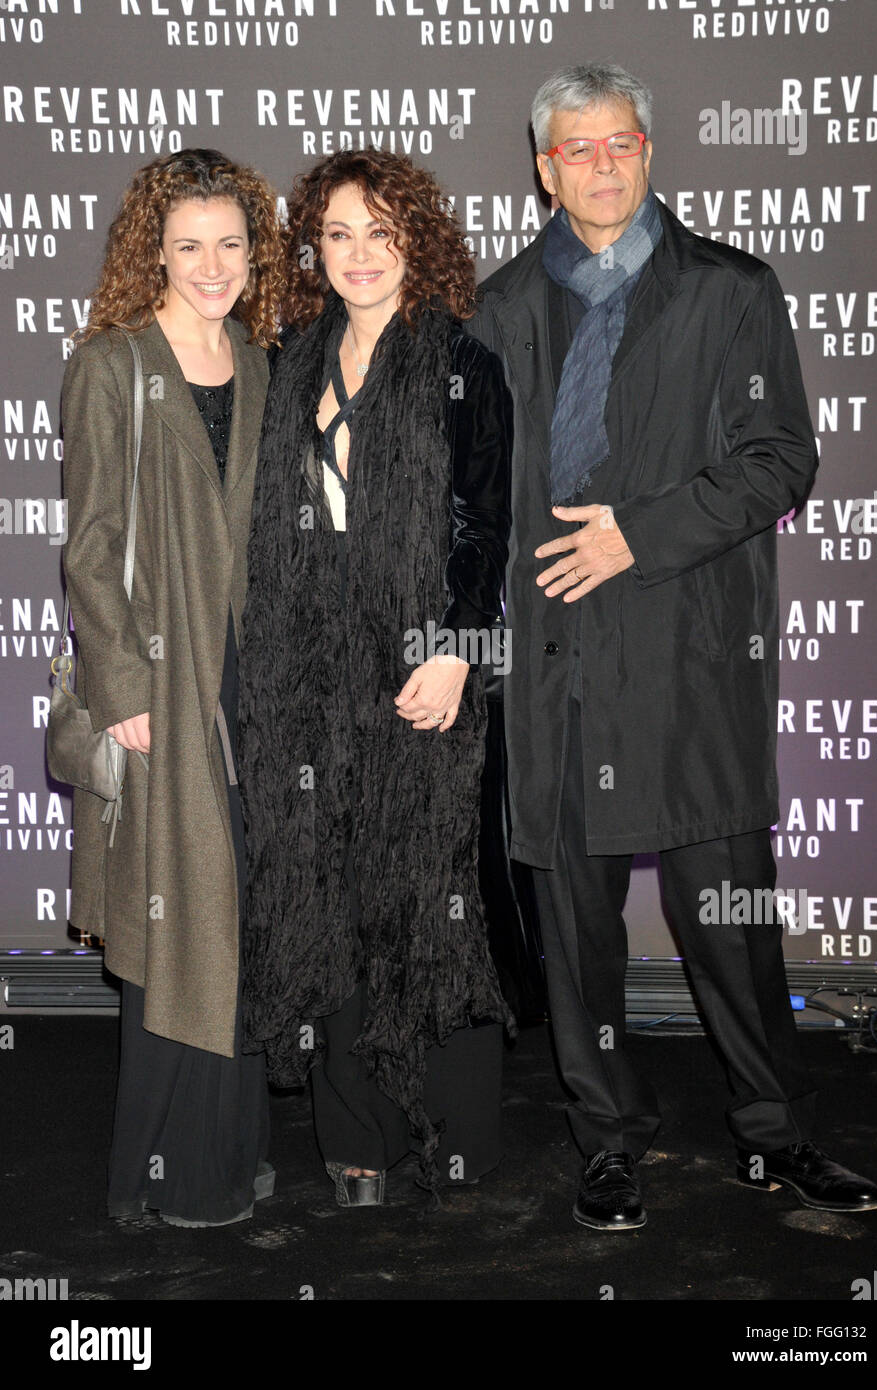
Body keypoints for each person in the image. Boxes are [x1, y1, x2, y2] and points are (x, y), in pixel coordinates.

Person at [470, 62, 877, 1230]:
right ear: (542, 167)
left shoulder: (729, 290)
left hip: (690, 671)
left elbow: (778, 459)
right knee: (575, 947)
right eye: (575, 149)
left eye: (620, 144)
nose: (601, 166)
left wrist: (633, 539)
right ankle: (606, 1139)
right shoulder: (497, 310)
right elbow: (476, 499)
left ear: (648, 151)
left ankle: (778, 1130)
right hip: (554, 678)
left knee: (732, 931)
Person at [238, 149, 514, 1207]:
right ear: (313, 244)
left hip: (422, 665)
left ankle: (451, 1131)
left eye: (380, 232)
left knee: (432, 895)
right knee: (326, 893)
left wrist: (452, 647)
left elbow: (483, 526)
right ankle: (355, 1139)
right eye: (338, 233)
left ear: (416, 240)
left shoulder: (462, 361)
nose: (358, 254)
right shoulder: (289, 357)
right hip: (308, 672)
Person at [61, 148, 283, 1226]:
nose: (212, 264)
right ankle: (164, 1176)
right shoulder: (113, 364)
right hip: (161, 679)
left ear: (255, 253)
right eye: (189, 244)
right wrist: (120, 684)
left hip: (248, 687)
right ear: (154, 248)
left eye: (231, 244)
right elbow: (90, 547)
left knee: (235, 914)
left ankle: (225, 1158)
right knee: (179, 912)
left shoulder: (257, 361)